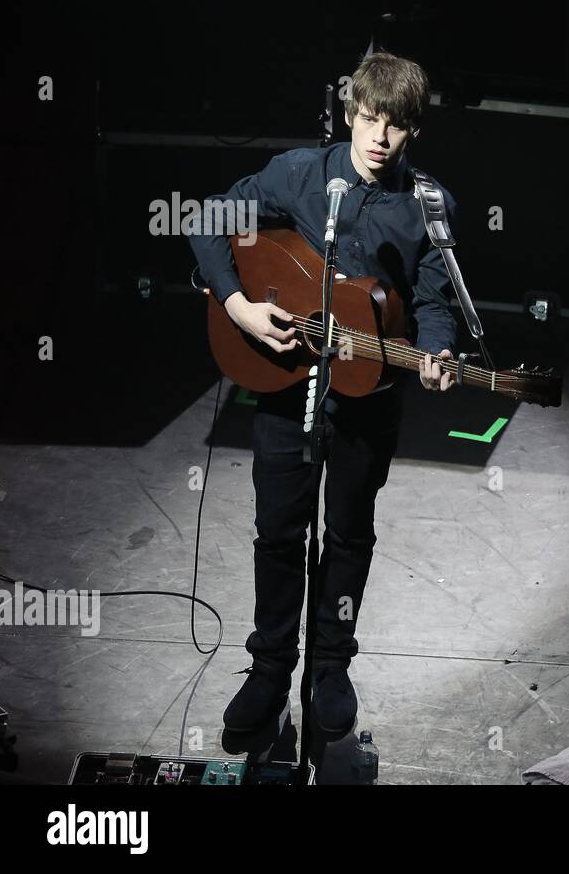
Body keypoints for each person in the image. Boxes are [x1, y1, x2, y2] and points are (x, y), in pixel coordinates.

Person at [187, 52, 459, 734]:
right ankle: (272, 669)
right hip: (286, 387)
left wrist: (436, 350)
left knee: (348, 534)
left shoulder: (429, 205)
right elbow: (207, 218)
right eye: (369, 120)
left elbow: (434, 300)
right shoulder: (301, 174)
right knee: (278, 533)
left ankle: (330, 668)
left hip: (371, 395)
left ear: (413, 132)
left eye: (395, 127)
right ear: (349, 115)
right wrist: (240, 304)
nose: (379, 138)